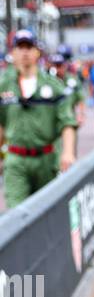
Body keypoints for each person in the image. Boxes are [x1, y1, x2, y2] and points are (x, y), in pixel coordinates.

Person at [0, 29, 77, 207]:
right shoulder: (4, 86)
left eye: (29, 47)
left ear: (37, 52)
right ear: (13, 52)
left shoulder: (54, 86)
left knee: (47, 211)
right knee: (16, 212)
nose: (25, 52)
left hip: (46, 159)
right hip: (16, 160)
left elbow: (67, 123)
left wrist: (68, 152)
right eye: (20, 47)